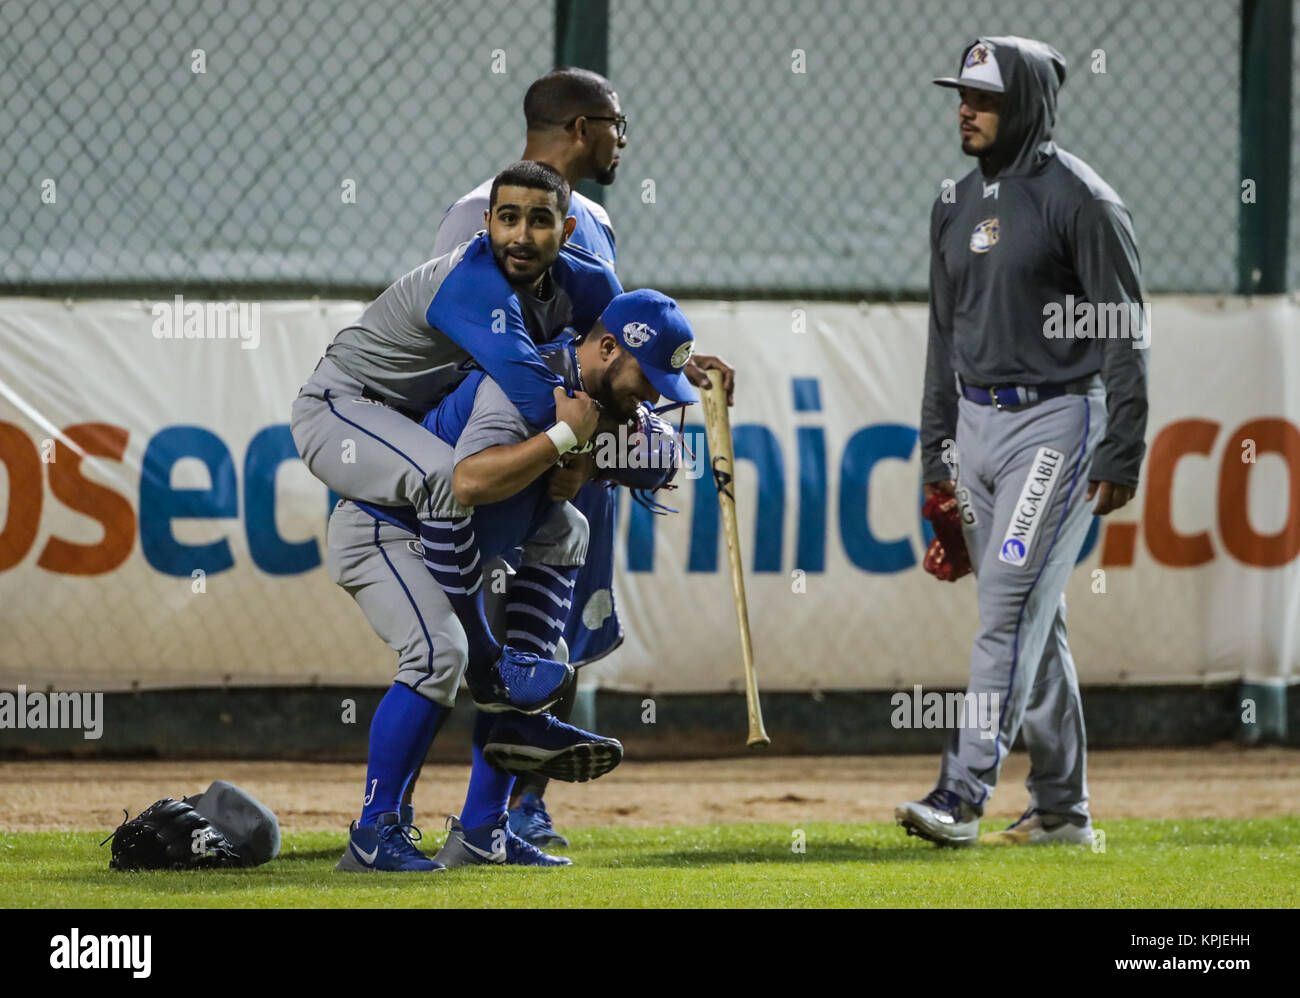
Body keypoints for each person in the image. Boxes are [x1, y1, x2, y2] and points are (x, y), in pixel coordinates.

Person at [432, 66, 735, 848]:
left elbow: (621, 331)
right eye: (616, 123)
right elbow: (452, 339)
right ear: (580, 127)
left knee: (553, 633)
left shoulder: (592, 218)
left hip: (580, 452)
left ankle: (512, 810)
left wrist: (689, 362)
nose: (624, 139)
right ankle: (465, 815)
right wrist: (538, 435)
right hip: (511, 449)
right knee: (495, 636)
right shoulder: (477, 208)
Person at [292, 160, 622, 870]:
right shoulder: (472, 282)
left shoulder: (588, 281)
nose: (522, 234)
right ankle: (490, 671)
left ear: (567, 229)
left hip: (404, 424)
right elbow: (552, 404)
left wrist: (678, 370)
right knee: (451, 483)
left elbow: (621, 358)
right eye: (508, 218)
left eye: (539, 220)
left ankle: (488, 809)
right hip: (342, 409)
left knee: (567, 527)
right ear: (486, 223)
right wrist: (609, 441)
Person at [329, 290, 697, 869]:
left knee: (552, 610)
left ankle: (483, 831)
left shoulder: (599, 397)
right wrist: (560, 442)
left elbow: (666, 457)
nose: (651, 396)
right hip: (391, 531)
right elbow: (465, 484)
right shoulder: (519, 383)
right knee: (439, 654)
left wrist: (589, 459)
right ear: (605, 348)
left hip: (474, 544)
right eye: (645, 379)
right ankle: (374, 832)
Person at [897, 36, 1148, 847]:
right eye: (961, 95)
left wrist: (1123, 448)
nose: (965, 109)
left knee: (1007, 606)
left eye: (985, 98)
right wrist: (935, 450)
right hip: (973, 423)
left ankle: (960, 793)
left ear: (1027, 104)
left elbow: (1124, 334)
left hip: (1058, 420)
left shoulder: (1081, 198)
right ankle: (1063, 812)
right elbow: (945, 337)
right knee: (1034, 620)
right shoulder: (953, 200)